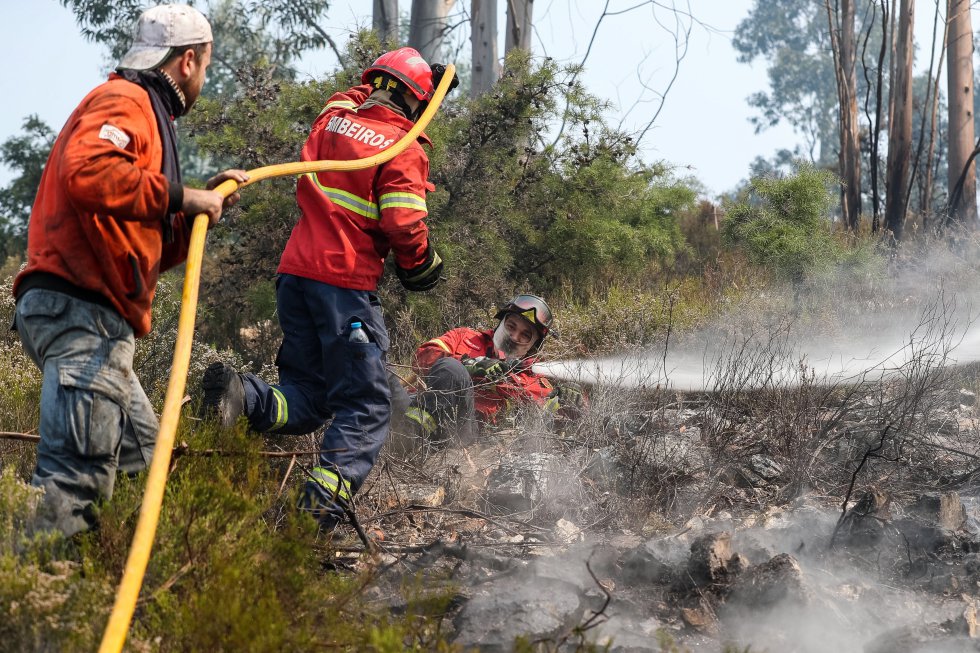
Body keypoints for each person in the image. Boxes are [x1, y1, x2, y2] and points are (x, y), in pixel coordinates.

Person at [12, 4, 248, 537]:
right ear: (188, 61)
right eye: (206, 69)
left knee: (146, 461)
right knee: (73, 484)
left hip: (94, 316)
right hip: (82, 313)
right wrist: (184, 196)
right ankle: (34, 608)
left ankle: (114, 586)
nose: (203, 81)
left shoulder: (147, 118)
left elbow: (141, 246)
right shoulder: (127, 100)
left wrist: (197, 211)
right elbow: (88, 171)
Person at [201, 47, 457, 530]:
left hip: (295, 279)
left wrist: (388, 81)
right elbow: (404, 224)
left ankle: (243, 395)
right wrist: (422, 265)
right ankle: (309, 520)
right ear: (418, 100)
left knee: (312, 395)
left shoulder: (333, 121)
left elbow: (348, 98)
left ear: (378, 85)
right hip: (344, 289)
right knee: (365, 406)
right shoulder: (403, 148)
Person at [389, 294, 586, 452]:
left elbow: (558, 417)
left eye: (526, 335)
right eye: (511, 326)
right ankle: (392, 432)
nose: (514, 337)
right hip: (413, 405)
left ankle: (408, 439)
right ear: (500, 323)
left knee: (452, 369)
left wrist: (572, 400)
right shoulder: (464, 337)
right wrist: (469, 363)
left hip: (460, 432)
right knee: (378, 370)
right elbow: (422, 357)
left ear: (533, 346)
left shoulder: (533, 377)